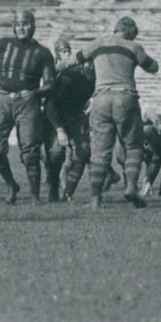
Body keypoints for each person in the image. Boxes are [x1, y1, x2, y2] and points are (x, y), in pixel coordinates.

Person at [0, 9, 57, 204]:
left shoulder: (43, 52)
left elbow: (50, 83)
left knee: (30, 151)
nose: (22, 27)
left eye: (26, 23)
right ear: (14, 26)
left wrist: (35, 93)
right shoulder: (1, 45)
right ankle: (11, 184)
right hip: (0, 99)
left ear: (33, 26)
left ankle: (35, 197)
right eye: (18, 24)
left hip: (27, 103)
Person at [82, 16, 158, 208]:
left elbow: (69, 62)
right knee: (133, 146)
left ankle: (94, 200)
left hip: (100, 99)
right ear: (131, 33)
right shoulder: (133, 47)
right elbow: (153, 68)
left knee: (99, 152)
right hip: (125, 97)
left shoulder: (96, 44)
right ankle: (131, 187)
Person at [47, 36, 96, 201]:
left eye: (68, 51)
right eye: (63, 51)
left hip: (76, 116)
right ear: (57, 55)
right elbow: (50, 104)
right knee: (55, 154)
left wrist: (90, 75)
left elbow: (88, 94)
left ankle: (68, 193)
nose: (67, 54)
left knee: (82, 153)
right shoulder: (53, 73)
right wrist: (59, 129)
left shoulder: (80, 72)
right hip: (58, 119)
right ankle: (53, 189)